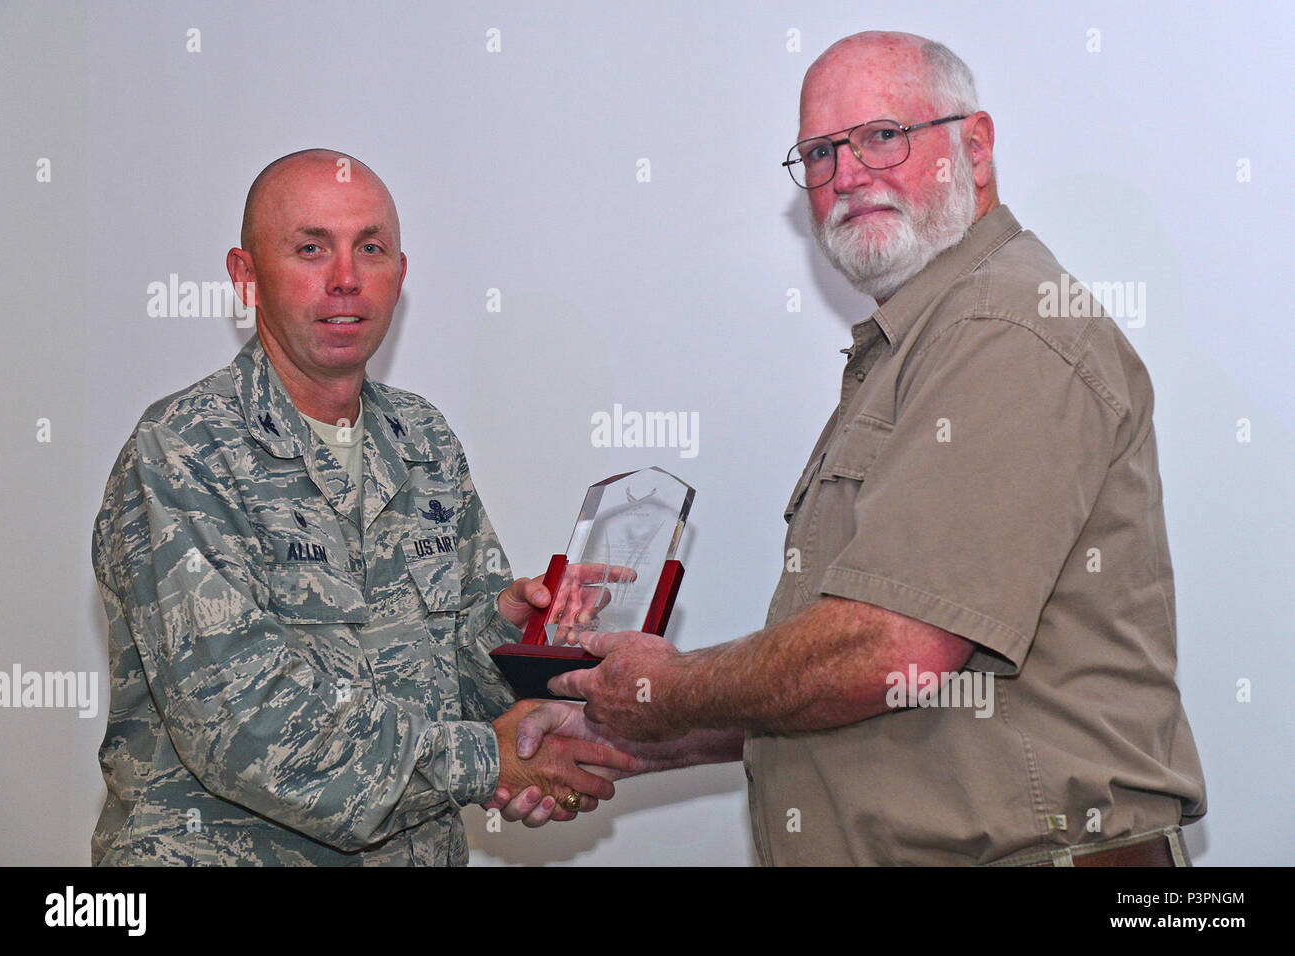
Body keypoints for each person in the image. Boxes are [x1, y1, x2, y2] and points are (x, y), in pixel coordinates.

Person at [514, 31, 1208, 866]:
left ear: (975, 148)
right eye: (819, 152)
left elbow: (895, 647)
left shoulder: (1005, 327)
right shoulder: (923, 340)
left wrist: (671, 689)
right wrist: (621, 727)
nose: (848, 174)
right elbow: (897, 690)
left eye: (883, 136)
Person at [90, 149, 633, 866]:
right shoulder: (184, 452)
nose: (345, 278)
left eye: (369, 249)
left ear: (399, 276)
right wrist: (491, 762)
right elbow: (245, 727)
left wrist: (509, 629)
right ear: (246, 277)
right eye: (311, 249)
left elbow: (456, 684)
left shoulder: (422, 440)